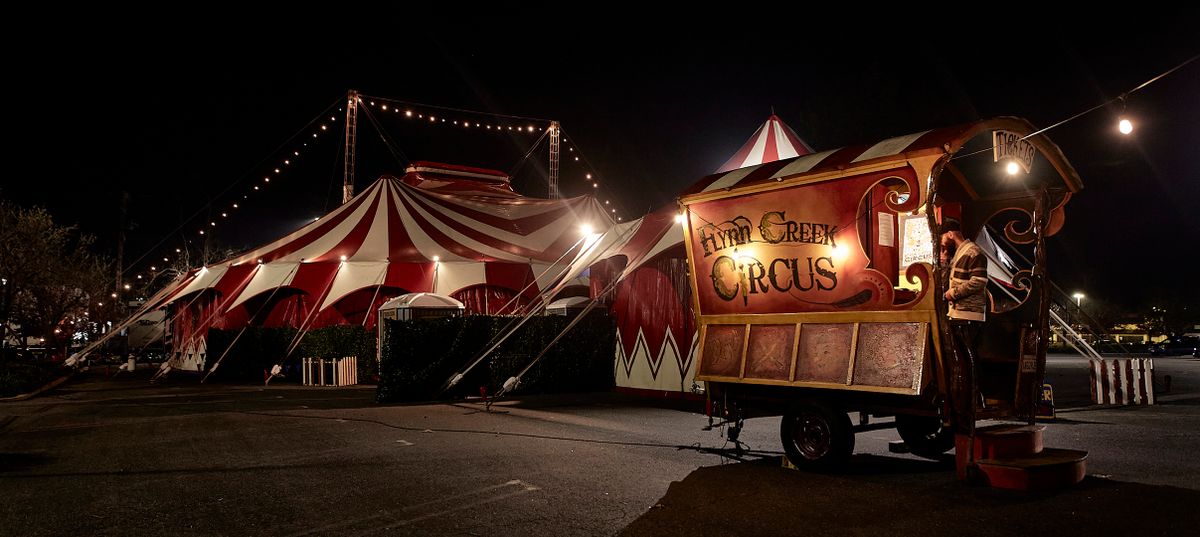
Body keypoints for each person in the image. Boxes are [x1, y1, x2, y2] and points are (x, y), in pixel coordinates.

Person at [940, 217, 988, 430]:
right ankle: (967, 401)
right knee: (962, 361)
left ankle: (973, 401)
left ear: (951, 234)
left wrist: (954, 293)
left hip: (970, 314)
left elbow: (979, 282)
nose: (943, 243)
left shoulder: (973, 252)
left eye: (943, 238)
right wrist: (944, 260)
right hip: (959, 313)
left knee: (968, 361)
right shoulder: (959, 253)